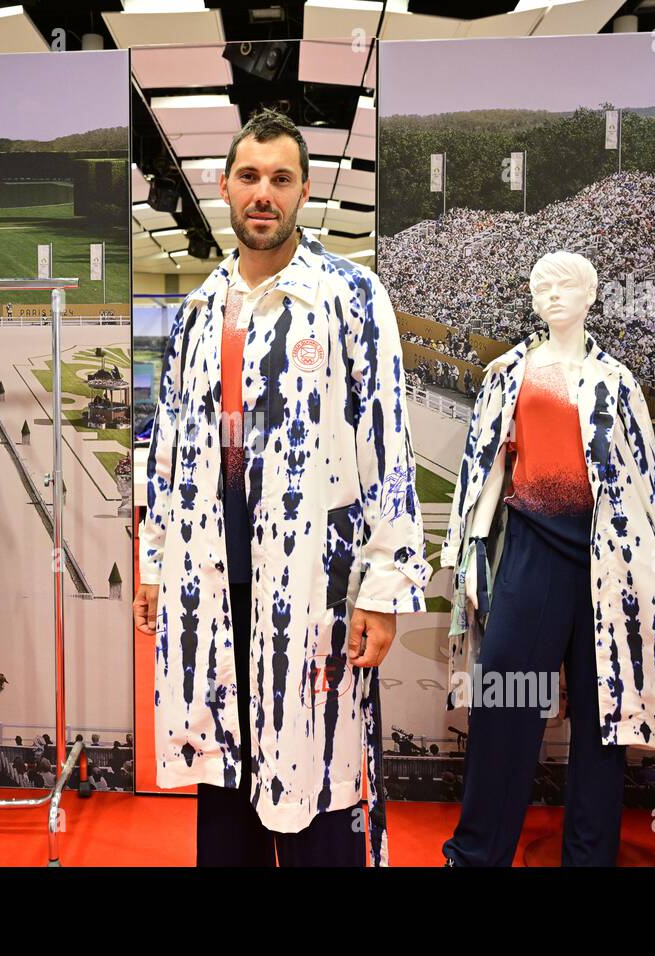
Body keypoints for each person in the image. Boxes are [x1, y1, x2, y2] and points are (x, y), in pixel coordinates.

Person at [133, 108, 428, 867]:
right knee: (224, 788)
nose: (263, 193)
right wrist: (156, 564)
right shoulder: (197, 311)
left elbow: (388, 441)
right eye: (250, 178)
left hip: (311, 586)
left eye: (281, 179)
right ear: (226, 188)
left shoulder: (350, 296)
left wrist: (382, 587)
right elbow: (166, 444)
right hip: (213, 582)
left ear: (302, 194)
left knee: (316, 792)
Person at [438, 251, 655, 866]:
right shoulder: (508, 373)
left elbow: (642, 474)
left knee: (603, 721)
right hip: (530, 553)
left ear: (591, 296)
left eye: (566, 286)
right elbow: (480, 472)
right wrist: (467, 556)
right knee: (505, 708)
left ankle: (589, 857)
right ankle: (477, 855)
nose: (553, 296)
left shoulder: (617, 381)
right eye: (541, 287)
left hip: (609, 567)